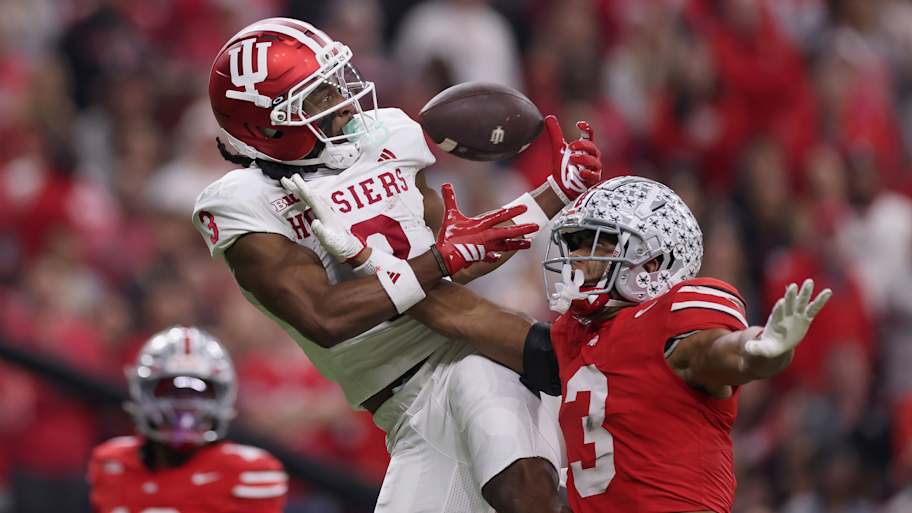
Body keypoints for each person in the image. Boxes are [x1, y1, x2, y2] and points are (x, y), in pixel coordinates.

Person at [193, 17, 602, 513]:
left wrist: (552, 196)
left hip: (468, 351)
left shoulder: (385, 136)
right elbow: (325, 316)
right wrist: (440, 259)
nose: (344, 102)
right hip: (404, 411)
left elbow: (454, 257)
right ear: (266, 125)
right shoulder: (243, 203)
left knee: (526, 496)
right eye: (318, 97)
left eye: (334, 82)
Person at [295, 175, 832, 513]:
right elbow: (461, 314)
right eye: (574, 244)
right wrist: (368, 258)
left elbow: (715, 352)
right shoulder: (576, 339)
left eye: (595, 246)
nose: (576, 260)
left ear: (654, 262)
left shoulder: (674, 314)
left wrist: (761, 350)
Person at [87, 326, 287, 513]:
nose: (184, 406)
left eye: (198, 393)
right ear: (142, 392)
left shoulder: (248, 473)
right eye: (169, 390)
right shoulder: (112, 464)